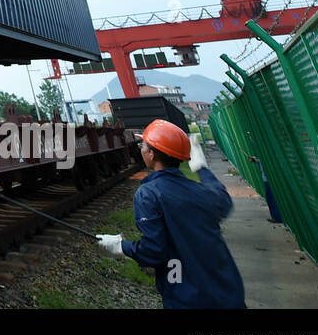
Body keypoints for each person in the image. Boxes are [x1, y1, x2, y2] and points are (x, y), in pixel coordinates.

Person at [96, 119, 246, 308]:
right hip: (228, 292)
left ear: (151, 155)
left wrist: (120, 247)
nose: (141, 149)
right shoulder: (203, 192)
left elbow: (154, 251)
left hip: (186, 297)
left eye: (143, 145)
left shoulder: (149, 194)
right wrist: (201, 169)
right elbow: (223, 199)